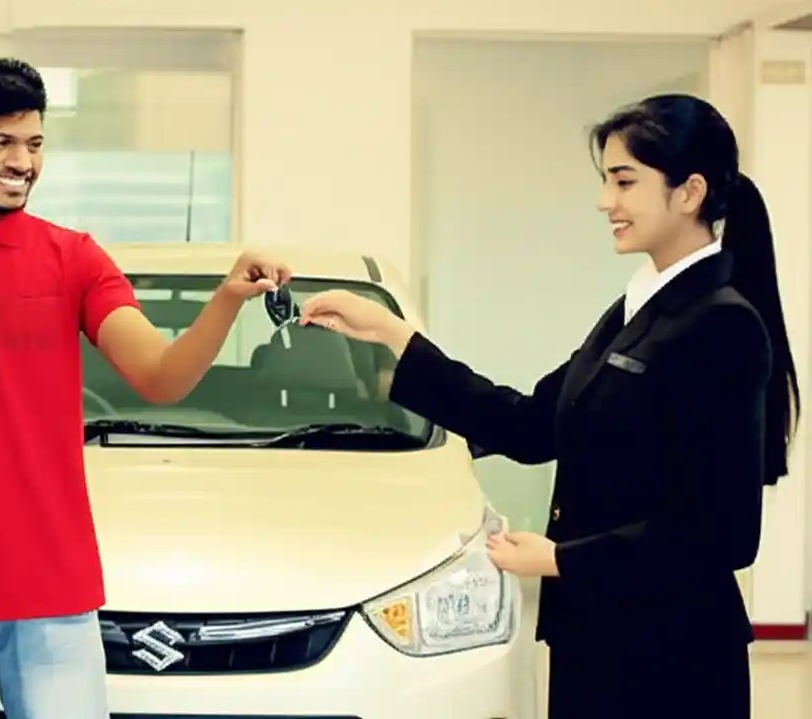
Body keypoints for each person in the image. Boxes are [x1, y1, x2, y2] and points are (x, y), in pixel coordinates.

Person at [0, 57, 290, 718]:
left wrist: (227, 299)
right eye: (1, 142)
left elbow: (160, 376)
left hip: (55, 605)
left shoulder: (75, 260)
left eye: (35, 143)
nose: (24, 162)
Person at [298, 93, 797, 719]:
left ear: (689, 192)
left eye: (624, 181)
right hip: (596, 640)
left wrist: (561, 558)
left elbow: (720, 533)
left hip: (671, 659)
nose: (604, 202)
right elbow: (530, 423)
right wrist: (395, 337)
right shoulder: (634, 310)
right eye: (605, 182)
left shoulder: (720, 324)